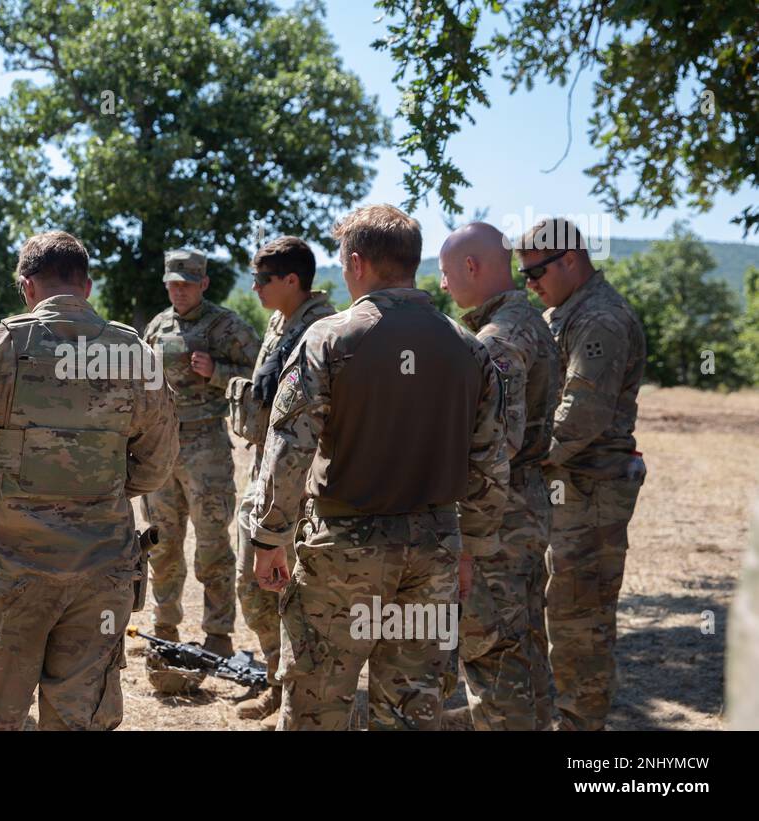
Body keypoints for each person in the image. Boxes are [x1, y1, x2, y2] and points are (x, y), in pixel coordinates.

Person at [250, 205, 509, 730]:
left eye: (345, 265)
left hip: (342, 552)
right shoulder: (469, 348)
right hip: (434, 550)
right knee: (413, 708)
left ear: (357, 262)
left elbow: (288, 447)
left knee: (317, 705)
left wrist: (268, 536)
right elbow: (490, 463)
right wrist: (471, 551)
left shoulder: (330, 339)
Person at [0, 230, 178, 730]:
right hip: (101, 574)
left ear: (26, 287)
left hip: (12, 573)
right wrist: (94, 485)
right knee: (77, 719)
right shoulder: (136, 353)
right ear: (86, 285)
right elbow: (156, 465)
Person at [518, 217, 647, 731]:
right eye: (524, 276)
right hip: (566, 487)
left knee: (579, 619)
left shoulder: (600, 319)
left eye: (536, 272)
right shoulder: (567, 312)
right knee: (557, 606)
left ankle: (579, 726)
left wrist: (512, 454)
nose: (531, 284)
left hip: (590, 490)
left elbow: (579, 419)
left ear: (570, 258)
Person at [440, 221, 561, 730]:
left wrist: (464, 538)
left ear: (471, 266)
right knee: (526, 651)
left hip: (497, 523)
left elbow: (494, 444)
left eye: (447, 273)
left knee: (493, 663)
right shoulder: (529, 320)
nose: (444, 286)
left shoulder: (498, 339)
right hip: (524, 511)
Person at [229, 236, 335, 727]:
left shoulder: (322, 329)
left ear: (292, 280)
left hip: (298, 485)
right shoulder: (279, 323)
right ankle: (276, 676)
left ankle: (295, 698)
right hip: (262, 472)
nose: (253, 288)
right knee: (252, 588)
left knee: (292, 596)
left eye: (262, 279)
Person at [142, 249, 260, 660]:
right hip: (162, 448)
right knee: (162, 544)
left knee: (211, 544)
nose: (178, 291)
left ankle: (218, 635)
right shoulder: (157, 326)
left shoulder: (226, 326)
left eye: (186, 284)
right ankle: (165, 629)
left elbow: (267, 372)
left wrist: (219, 373)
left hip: (206, 447)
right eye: (172, 284)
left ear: (203, 284)